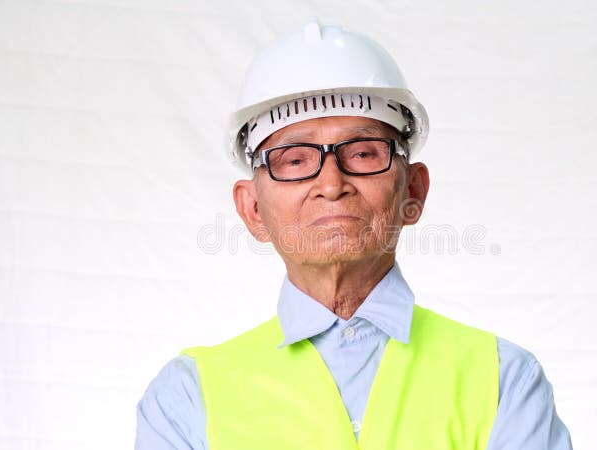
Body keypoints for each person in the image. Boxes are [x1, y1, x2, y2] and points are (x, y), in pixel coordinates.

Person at [136, 21, 572, 449]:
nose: (331, 183)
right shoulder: (187, 399)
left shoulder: (504, 382)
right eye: (294, 160)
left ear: (413, 191)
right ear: (253, 210)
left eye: (363, 153)